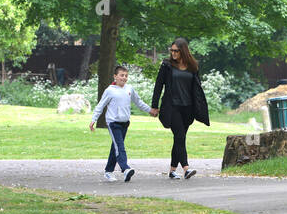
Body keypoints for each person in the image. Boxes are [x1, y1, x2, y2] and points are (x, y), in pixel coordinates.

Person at [152, 38, 210, 179]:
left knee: (179, 139)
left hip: (188, 108)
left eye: (176, 51)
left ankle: (172, 170)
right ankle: (186, 168)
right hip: (172, 107)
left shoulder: (193, 66)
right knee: (180, 136)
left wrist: (200, 106)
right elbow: (158, 86)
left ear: (183, 51)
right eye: (171, 50)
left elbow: (197, 88)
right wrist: (155, 106)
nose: (173, 53)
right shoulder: (167, 65)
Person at [89, 64, 157, 182]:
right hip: (113, 123)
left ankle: (108, 171)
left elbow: (138, 102)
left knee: (115, 147)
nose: (124, 78)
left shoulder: (129, 89)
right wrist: (93, 119)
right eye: (121, 75)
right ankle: (125, 169)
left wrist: (150, 110)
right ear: (115, 76)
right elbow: (100, 106)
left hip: (125, 123)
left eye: (126, 76)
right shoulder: (110, 91)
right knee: (120, 147)